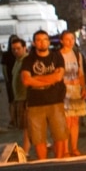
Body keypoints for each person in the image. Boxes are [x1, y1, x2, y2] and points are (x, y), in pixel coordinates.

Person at [20, 30, 68, 160]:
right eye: (39, 40)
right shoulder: (28, 60)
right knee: (38, 137)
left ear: (49, 41)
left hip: (55, 100)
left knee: (59, 135)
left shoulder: (56, 56)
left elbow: (59, 77)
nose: (42, 42)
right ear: (34, 43)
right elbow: (26, 80)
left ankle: (58, 162)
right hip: (35, 103)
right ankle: (43, 163)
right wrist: (50, 78)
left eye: (45, 39)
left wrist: (36, 79)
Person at [59, 31, 86, 156]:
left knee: (75, 120)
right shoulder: (58, 55)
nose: (70, 41)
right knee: (66, 120)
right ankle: (65, 149)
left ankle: (74, 147)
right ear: (62, 41)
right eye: (67, 39)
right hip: (64, 90)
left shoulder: (77, 54)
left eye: (72, 38)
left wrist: (83, 87)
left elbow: (80, 72)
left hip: (76, 89)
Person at [8, 37, 31, 155]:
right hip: (19, 98)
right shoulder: (17, 61)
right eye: (13, 49)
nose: (15, 51)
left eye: (18, 48)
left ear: (24, 48)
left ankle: (26, 150)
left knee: (27, 126)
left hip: (26, 98)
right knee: (26, 125)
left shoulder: (27, 60)